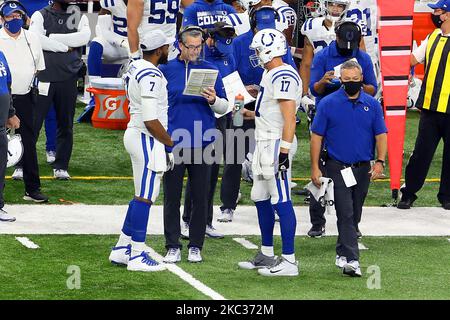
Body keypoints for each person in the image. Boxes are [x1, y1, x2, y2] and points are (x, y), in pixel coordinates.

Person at [216, 5, 298, 223]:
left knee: (267, 158)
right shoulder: (239, 43)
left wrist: (262, 90)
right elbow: (229, 75)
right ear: (253, 25)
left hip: (270, 104)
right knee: (234, 153)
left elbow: (286, 71)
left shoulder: (279, 43)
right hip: (240, 99)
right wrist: (244, 90)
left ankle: (275, 203)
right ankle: (228, 204)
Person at [310, 60, 387, 277]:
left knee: (355, 212)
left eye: (355, 79)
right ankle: (352, 260)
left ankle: (342, 251)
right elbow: (317, 137)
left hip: (362, 168)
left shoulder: (372, 104)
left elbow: (381, 134)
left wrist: (380, 161)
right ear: (340, 80)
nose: (352, 83)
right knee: (346, 212)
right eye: (347, 80)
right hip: (337, 167)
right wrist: (315, 167)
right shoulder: (328, 103)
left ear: (361, 78)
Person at [160, 26, 228, 264]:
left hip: (203, 142)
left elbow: (225, 107)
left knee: (200, 197)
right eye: (191, 47)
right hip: (174, 142)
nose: (195, 51)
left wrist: (214, 100)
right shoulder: (166, 70)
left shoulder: (211, 69)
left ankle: (196, 245)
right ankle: (172, 245)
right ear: (180, 46)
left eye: (198, 47)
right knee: (171, 197)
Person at [109, 30, 175, 272]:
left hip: (137, 134)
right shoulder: (150, 73)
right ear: (158, 50)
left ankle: (122, 247)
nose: (169, 51)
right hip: (146, 137)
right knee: (145, 197)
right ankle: (137, 254)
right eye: (166, 47)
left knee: (140, 195)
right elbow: (150, 118)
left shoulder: (136, 65)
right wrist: (169, 142)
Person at [238, 28, 301, 276]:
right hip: (265, 140)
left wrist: (283, 152)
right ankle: (266, 253)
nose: (255, 54)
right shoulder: (271, 73)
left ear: (269, 49)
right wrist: (254, 113)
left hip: (276, 143)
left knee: (281, 197)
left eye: (257, 49)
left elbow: (289, 118)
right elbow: (273, 112)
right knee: (259, 195)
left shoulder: (283, 73)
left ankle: (289, 260)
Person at [307, 20, 377, 238]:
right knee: (320, 172)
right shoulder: (323, 56)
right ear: (335, 38)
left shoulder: (363, 58)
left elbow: (372, 89)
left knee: (354, 173)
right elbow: (314, 90)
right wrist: (325, 81)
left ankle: (352, 222)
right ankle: (317, 221)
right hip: (328, 117)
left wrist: (354, 83)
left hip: (353, 117)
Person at [182, 22, 236, 239]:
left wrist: (236, 111)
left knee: (211, 172)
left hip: (221, 117)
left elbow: (232, 88)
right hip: (198, 121)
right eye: (219, 39)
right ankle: (188, 219)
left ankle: (206, 220)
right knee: (196, 173)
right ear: (209, 40)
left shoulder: (227, 56)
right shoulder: (197, 61)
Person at [397, 0, 450, 211]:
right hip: (429, 107)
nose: (435, 14)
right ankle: (409, 193)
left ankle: (446, 196)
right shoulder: (433, 36)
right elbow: (411, 60)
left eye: (438, 11)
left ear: (446, 15)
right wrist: (391, 54)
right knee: (421, 153)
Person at [29, 0, 91, 180]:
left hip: (68, 79)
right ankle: (23, 164)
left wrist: (52, 37)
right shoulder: (40, 15)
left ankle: (61, 165)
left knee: (66, 125)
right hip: (44, 78)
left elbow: (84, 37)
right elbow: (36, 40)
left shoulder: (78, 16)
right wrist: (65, 46)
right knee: (33, 125)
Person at [0, 0, 48, 202]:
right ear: (2, 19)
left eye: (18, 15)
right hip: (2, 98)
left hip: (26, 96)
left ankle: (32, 188)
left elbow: (38, 67)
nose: (15, 19)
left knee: (28, 141)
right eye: (11, 16)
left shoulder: (32, 38)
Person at [127, 0, 193, 61]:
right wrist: (135, 55)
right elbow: (132, 27)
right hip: (147, 49)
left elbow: (192, 8)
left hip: (170, 46)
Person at [87, 0, 129, 81]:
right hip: (115, 46)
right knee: (96, 43)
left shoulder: (146, 3)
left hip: (136, 46)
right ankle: (94, 83)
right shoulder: (110, 2)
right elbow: (102, 30)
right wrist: (122, 42)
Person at [0, 50, 20, 222]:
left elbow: (7, 84)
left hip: (0, 125)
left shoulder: (1, 55)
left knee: (0, 166)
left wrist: (10, 113)